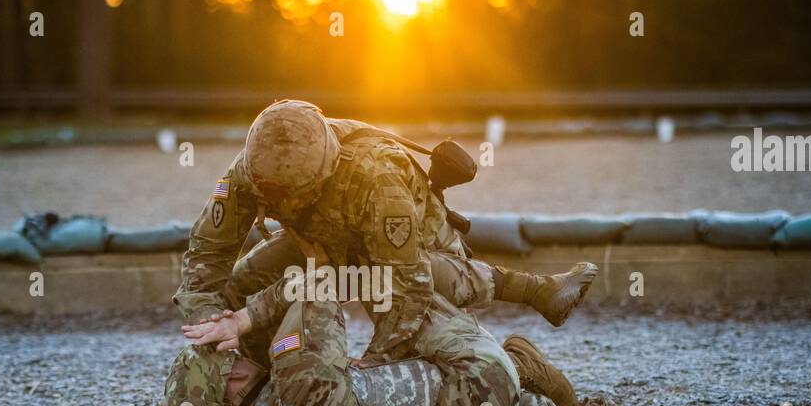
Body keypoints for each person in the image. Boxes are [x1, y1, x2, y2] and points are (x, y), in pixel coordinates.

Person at [173, 99, 598, 364]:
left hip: (410, 252)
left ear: (324, 174)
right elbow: (207, 254)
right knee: (246, 282)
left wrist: (377, 359)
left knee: (430, 348)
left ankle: (526, 367)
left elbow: (407, 283)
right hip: (328, 243)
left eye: (295, 196)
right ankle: (273, 382)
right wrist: (206, 326)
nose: (285, 203)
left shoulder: (375, 177)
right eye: (276, 196)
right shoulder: (250, 170)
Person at [165, 293, 656, 406]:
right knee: (405, 293)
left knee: (411, 396)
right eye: (231, 359)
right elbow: (316, 293)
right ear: (230, 380)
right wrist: (248, 320)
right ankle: (519, 364)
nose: (239, 356)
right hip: (482, 380)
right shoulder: (295, 386)